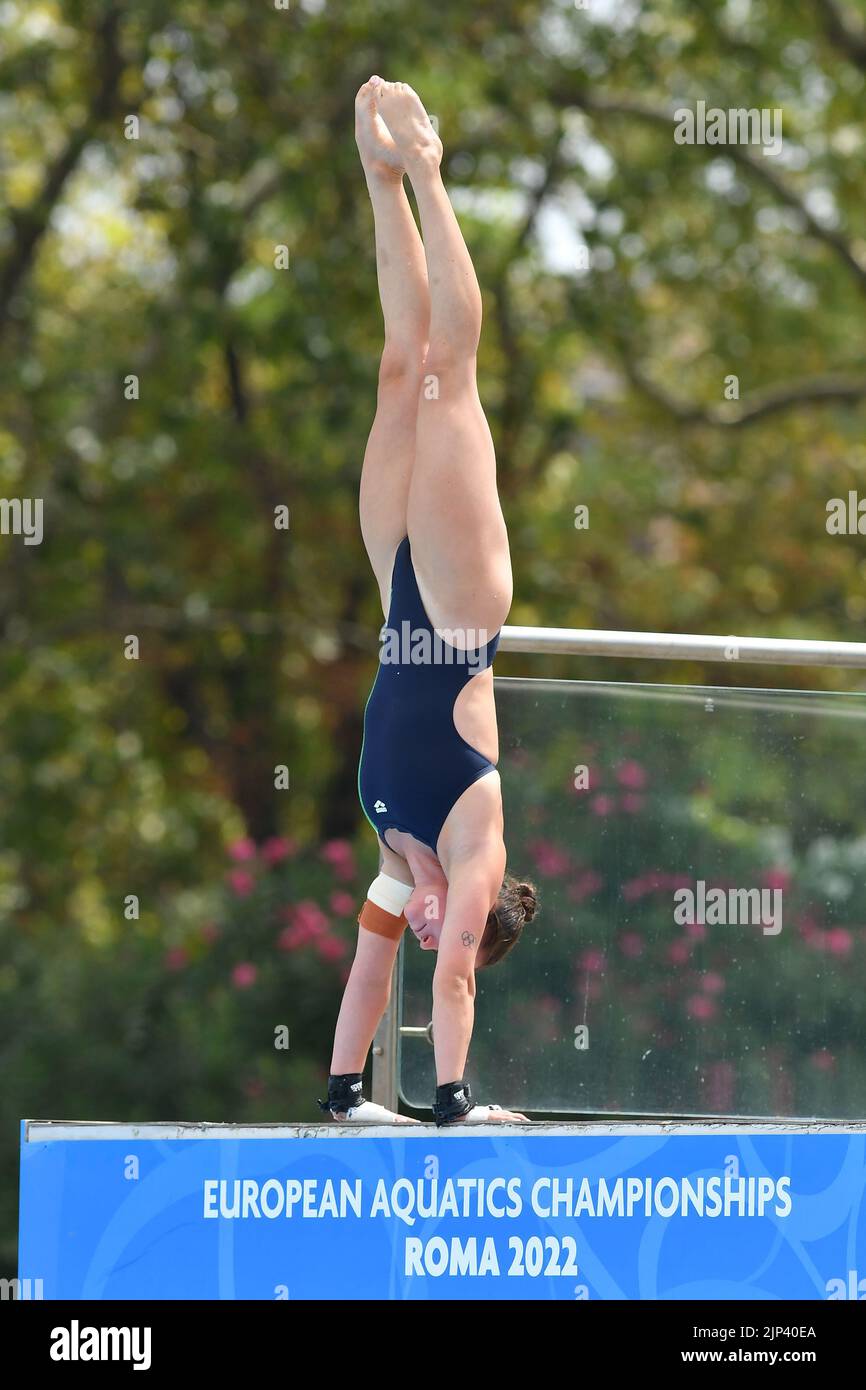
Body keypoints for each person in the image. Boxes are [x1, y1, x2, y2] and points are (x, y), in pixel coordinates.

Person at [319, 78, 537, 1128]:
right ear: (479, 911)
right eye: (451, 927)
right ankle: (430, 167)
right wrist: (452, 1101)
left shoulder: (397, 855)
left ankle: (377, 179)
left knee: (402, 369)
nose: (426, 934)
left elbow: (371, 972)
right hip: (455, 604)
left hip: (393, 581)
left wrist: (345, 1095)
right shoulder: (471, 845)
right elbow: (450, 981)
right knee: (452, 367)